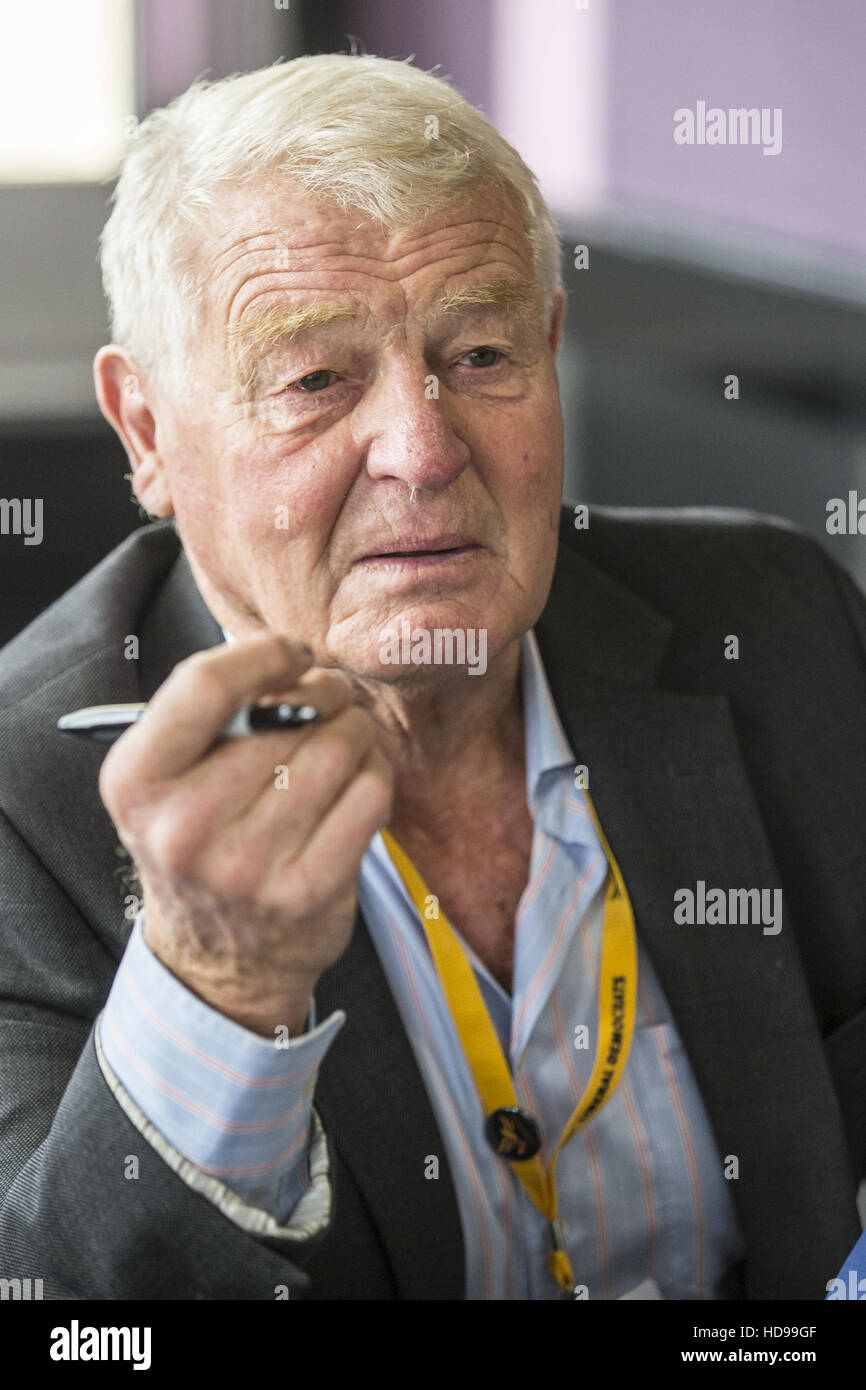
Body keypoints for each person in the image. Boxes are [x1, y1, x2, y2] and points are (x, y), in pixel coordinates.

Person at [1, 53, 864, 1302]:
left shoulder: (776, 620)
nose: (420, 447)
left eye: (479, 354)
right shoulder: (24, 812)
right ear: (147, 431)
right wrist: (218, 989)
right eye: (313, 379)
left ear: (550, 349)